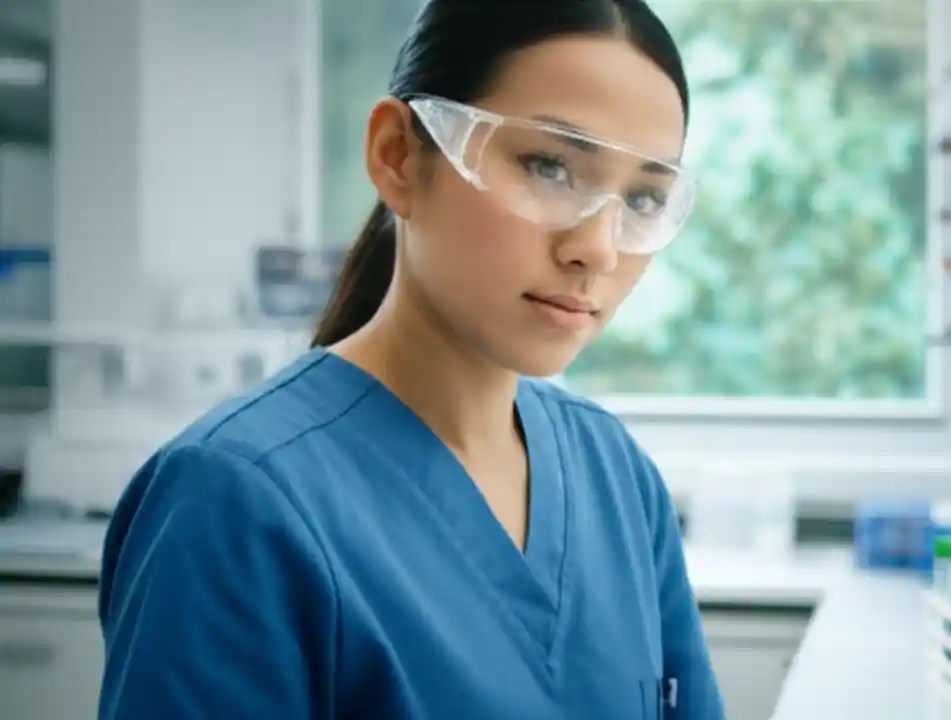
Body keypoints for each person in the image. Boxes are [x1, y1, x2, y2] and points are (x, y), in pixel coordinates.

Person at [96, 1, 723, 718]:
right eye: (551, 166)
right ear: (397, 155)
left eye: (643, 197)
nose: (598, 249)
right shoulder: (235, 500)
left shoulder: (613, 475)